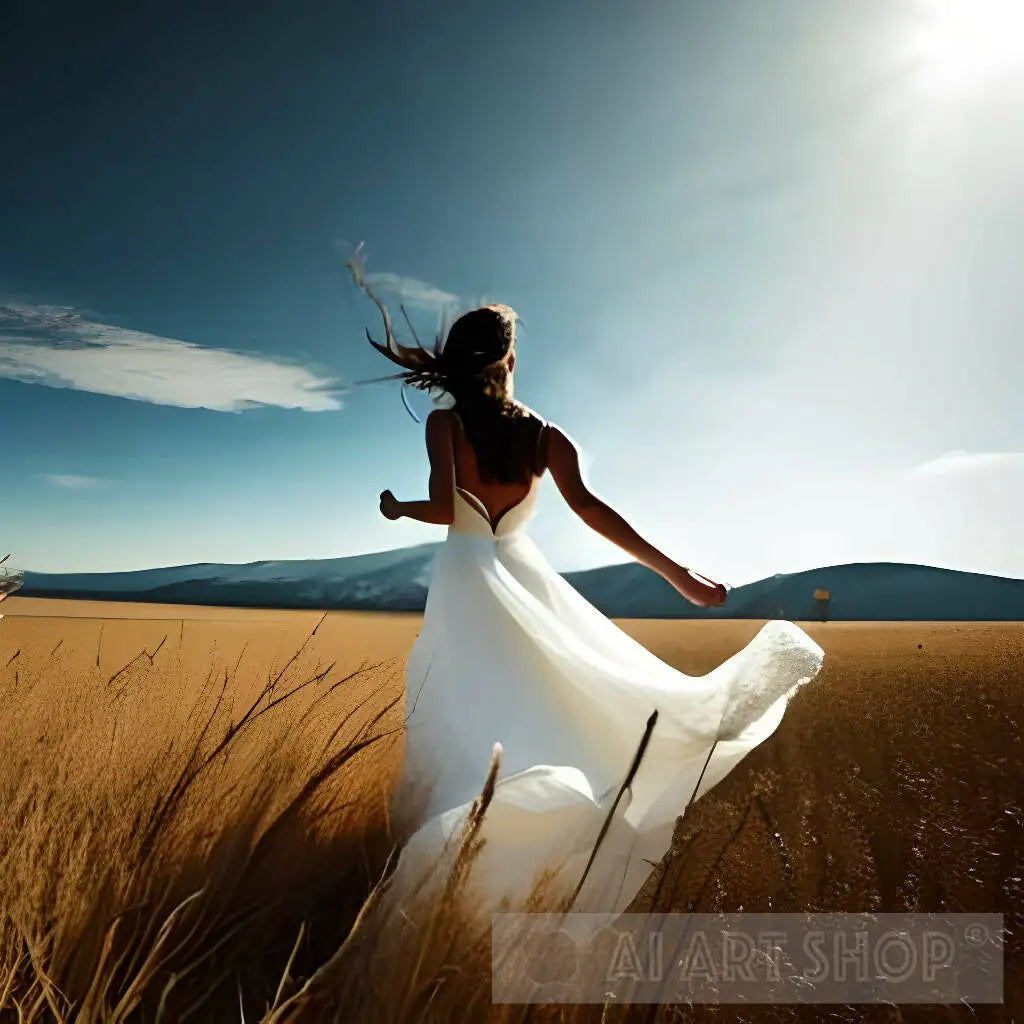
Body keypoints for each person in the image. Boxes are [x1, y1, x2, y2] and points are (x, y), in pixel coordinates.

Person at [350, 267, 824, 912]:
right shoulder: (546, 437)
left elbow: (445, 507)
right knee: (545, 703)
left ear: (461, 363)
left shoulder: (444, 427)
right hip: (525, 579)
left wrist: (399, 509)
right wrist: (679, 576)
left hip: (466, 582)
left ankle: (451, 860)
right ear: (508, 359)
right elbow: (596, 512)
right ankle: (521, 834)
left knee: (458, 709)